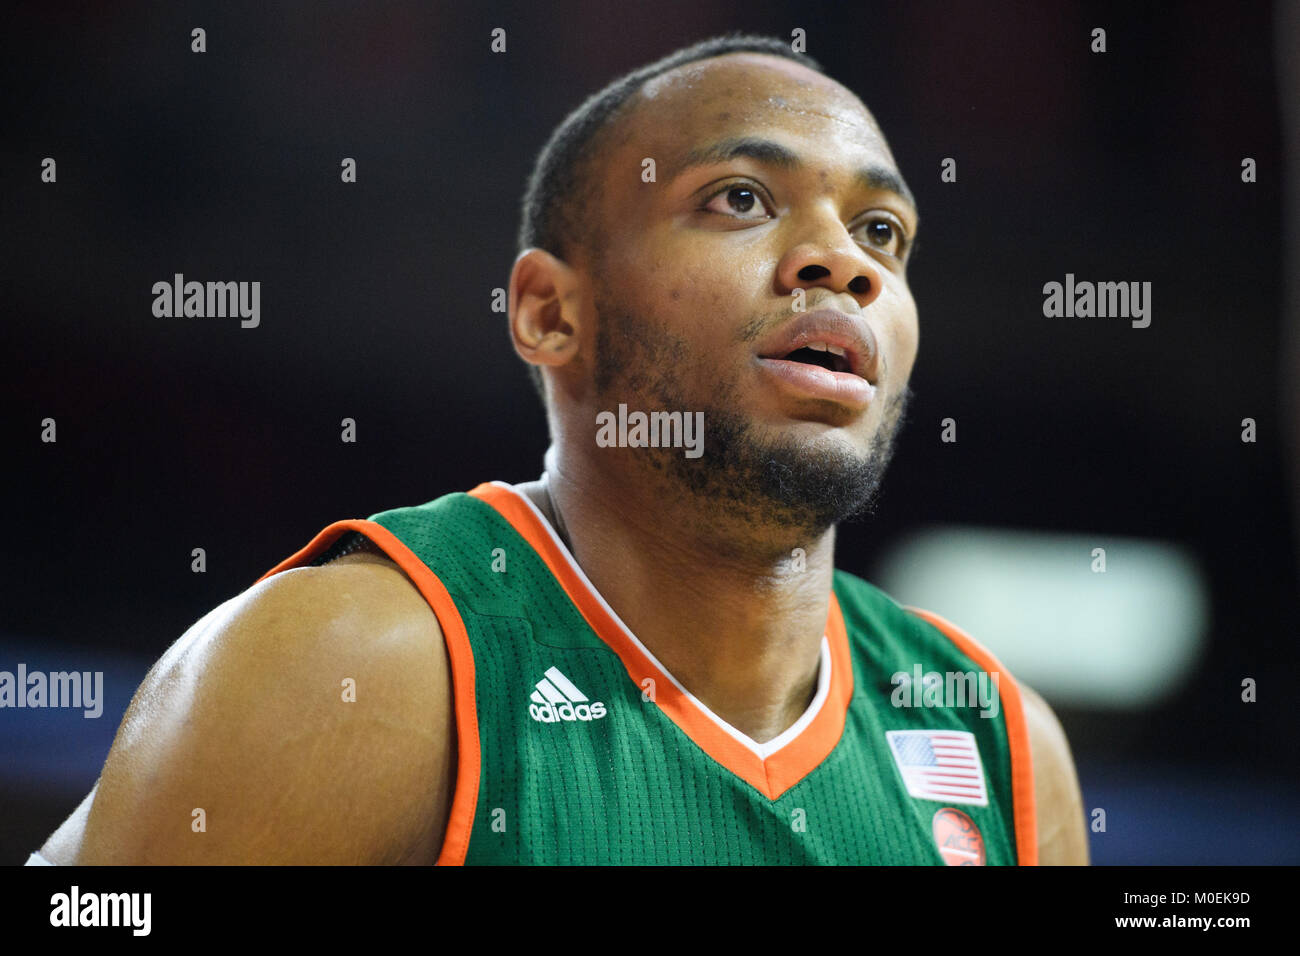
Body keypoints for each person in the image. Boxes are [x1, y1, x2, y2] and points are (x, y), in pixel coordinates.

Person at [31, 32, 1087, 865]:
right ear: (549, 313)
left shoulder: (1000, 745)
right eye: (741, 200)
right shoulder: (358, 664)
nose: (842, 264)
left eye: (880, 233)